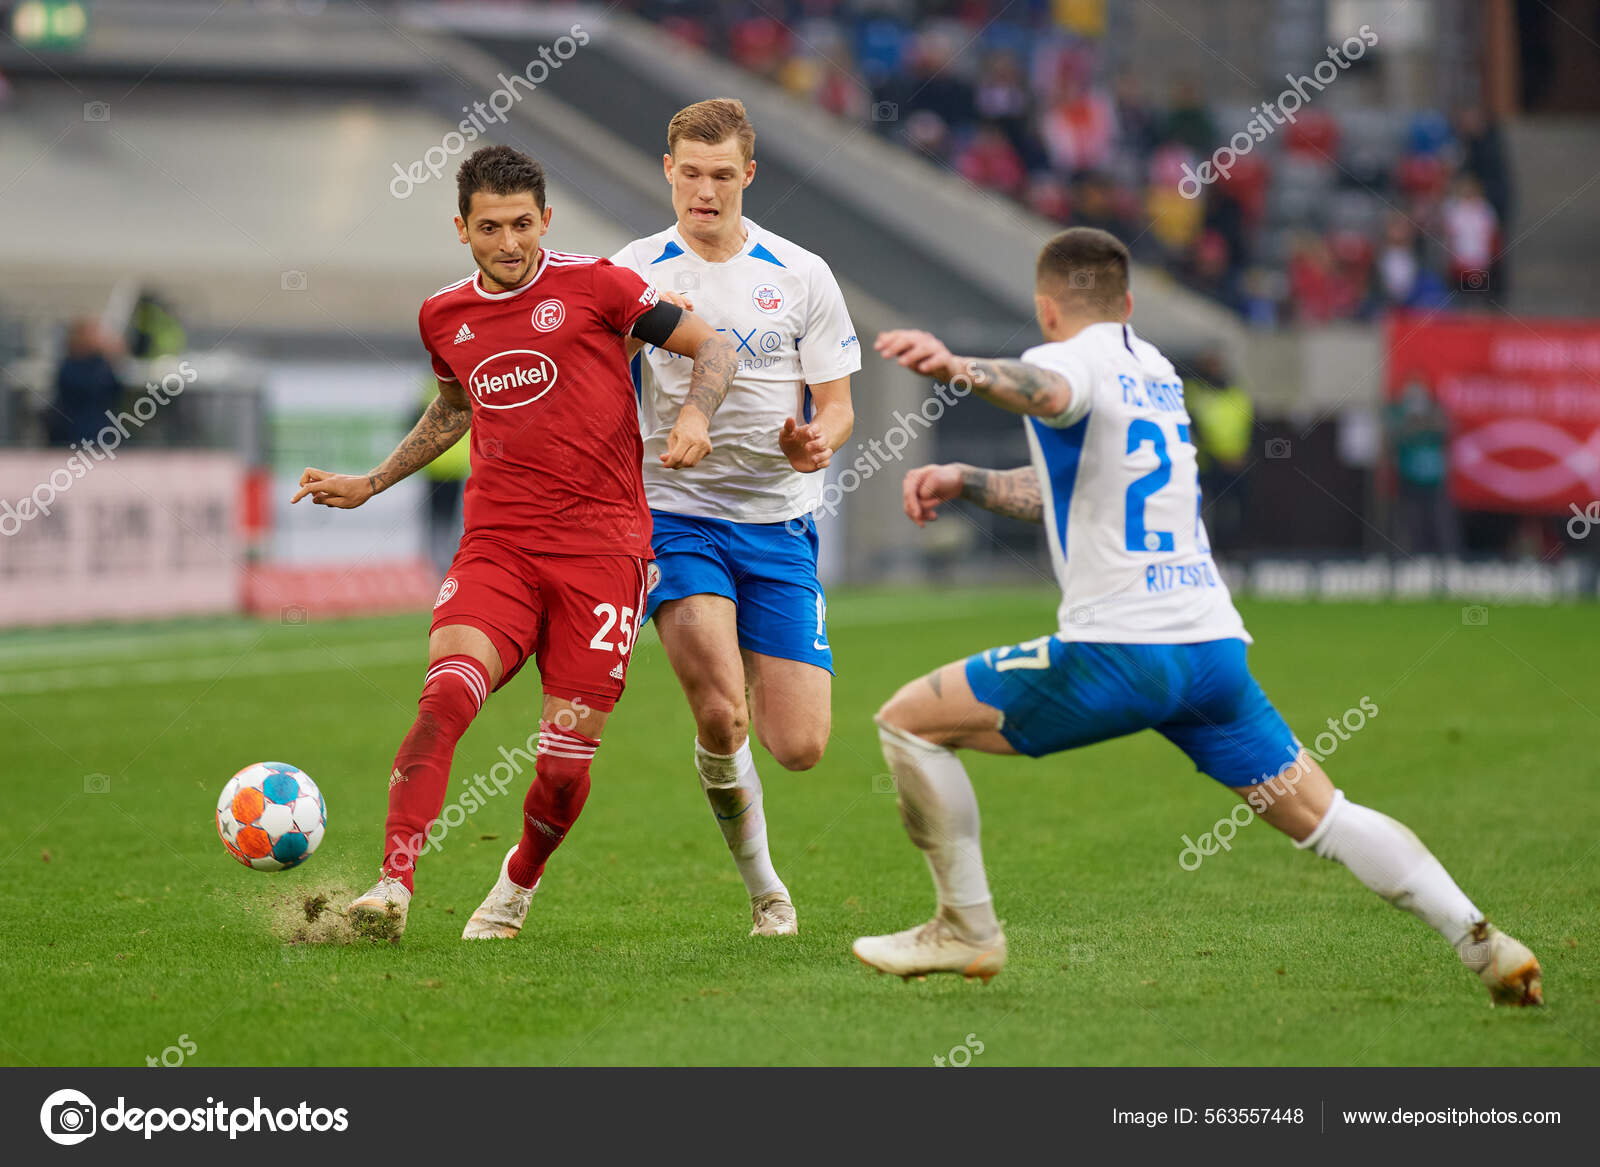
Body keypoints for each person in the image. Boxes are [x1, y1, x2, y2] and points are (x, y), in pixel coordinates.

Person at [856, 227, 1542, 1008]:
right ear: (1130, 302)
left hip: (1120, 651)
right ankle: (1484, 940)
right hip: (1210, 652)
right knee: (1327, 815)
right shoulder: (1156, 371)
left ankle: (966, 928)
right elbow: (1073, 482)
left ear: (1046, 310)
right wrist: (966, 479)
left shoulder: (1060, 361)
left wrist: (960, 368)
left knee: (909, 722)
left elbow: (1042, 390)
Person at [292, 145, 737, 941]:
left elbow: (715, 346)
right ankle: (392, 886)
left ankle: (518, 881)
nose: (508, 242)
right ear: (460, 227)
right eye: (490, 227)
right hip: (498, 545)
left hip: (605, 554)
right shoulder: (442, 315)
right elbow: (454, 408)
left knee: (564, 770)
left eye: (522, 225)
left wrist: (696, 416)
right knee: (444, 697)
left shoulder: (597, 285)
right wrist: (372, 480)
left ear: (546, 220)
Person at [610, 99, 859, 937]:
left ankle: (754, 664)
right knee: (720, 713)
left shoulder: (802, 272)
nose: (705, 190)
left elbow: (837, 406)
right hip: (676, 515)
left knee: (798, 744)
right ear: (668, 170)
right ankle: (766, 893)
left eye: (723, 175)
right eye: (691, 173)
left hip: (778, 522)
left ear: (748, 176)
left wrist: (814, 441)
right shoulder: (633, 270)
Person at [49, 318, 123, 447]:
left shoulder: (100, 363)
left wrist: (115, 358)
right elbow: (86, 389)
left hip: (103, 431)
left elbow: (115, 390)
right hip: (75, 433)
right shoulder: (69, 366)